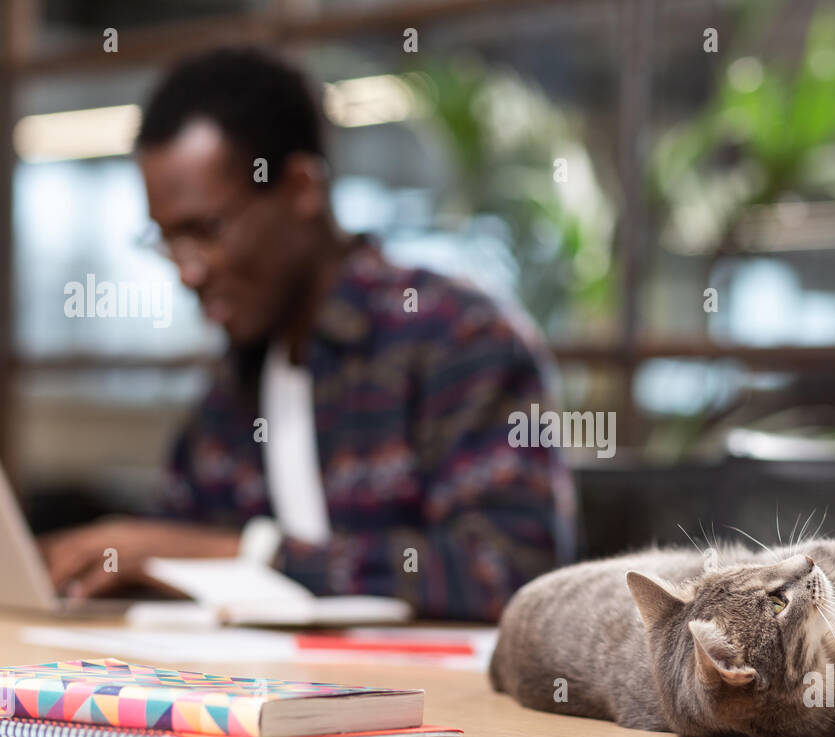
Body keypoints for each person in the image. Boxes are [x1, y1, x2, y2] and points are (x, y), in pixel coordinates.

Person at [40, 47, 575, 622]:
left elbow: (512, 573)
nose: (187, 270)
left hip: (438, 705)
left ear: (299, 188)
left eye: (206, 231)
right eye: (167, 239)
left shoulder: (459, 339)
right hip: (259, 699)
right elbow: (174, 546)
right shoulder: (234, 384)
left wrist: (248, 555)